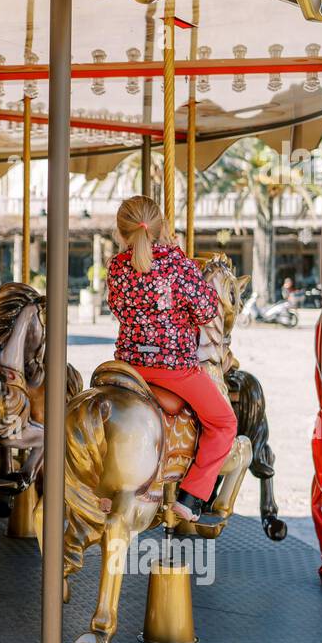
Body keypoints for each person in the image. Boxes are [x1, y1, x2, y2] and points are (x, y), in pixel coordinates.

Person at [106, 196, 237, 524]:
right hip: (172, 367)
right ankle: (192, 496)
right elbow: (208, 310)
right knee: (224, 423)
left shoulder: (118, 266)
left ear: (121, 232)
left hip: (128, 365)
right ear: (161, 227)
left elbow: (118, 310)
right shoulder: (178, 264)